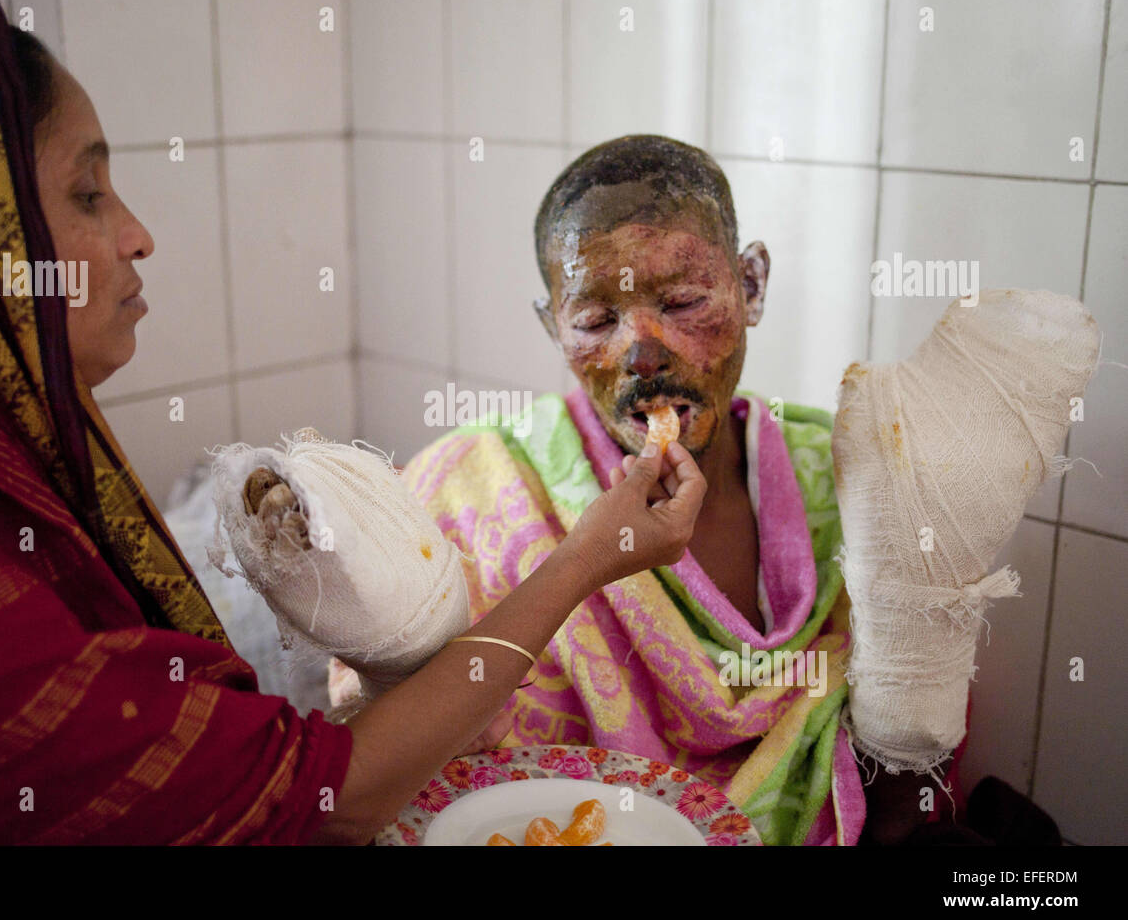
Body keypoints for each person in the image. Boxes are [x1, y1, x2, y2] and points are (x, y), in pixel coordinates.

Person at [0, 0, 702, 845]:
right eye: (87, 194)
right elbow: (328, 799)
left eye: (691, 299)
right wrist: (589, 557)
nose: (138, 234)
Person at [395, 135, 962, 845]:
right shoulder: (465, 493)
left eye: (685, 301)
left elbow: (913, 748)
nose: (641, 352)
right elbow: (388, 757)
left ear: (750, 285)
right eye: (596, 321)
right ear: (552, 326)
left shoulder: (855, 485)